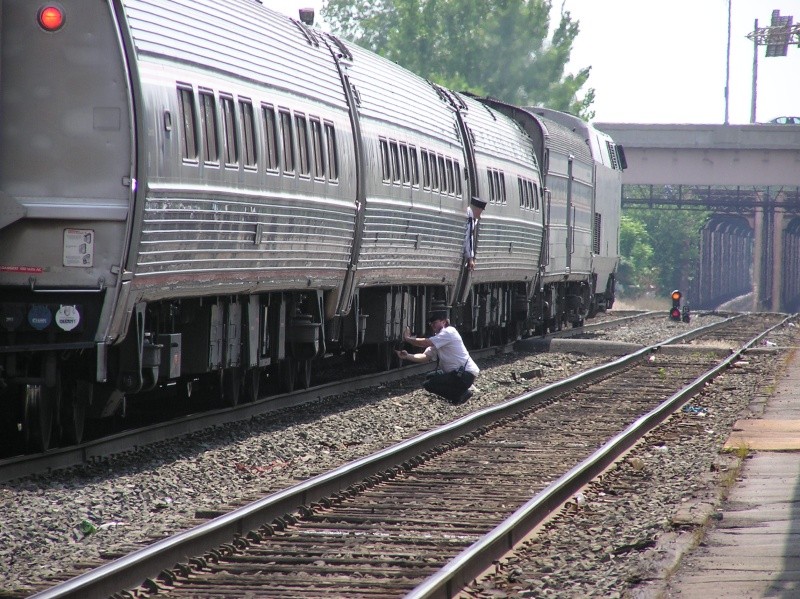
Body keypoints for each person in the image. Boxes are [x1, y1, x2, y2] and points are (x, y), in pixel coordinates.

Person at [395, 310, 479, 404]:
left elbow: (426, 343)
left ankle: (461, 394)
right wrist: (407, 356)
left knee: (430, 384)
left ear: (443, 322)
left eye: (435, 322)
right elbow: (425, 356)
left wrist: (408, 339)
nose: (432, 325)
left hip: (465, 374)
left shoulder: (449, 332)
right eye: (431, 323)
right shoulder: (439, 338)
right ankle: (461, 392)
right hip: (458, 374)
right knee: (429, 377)